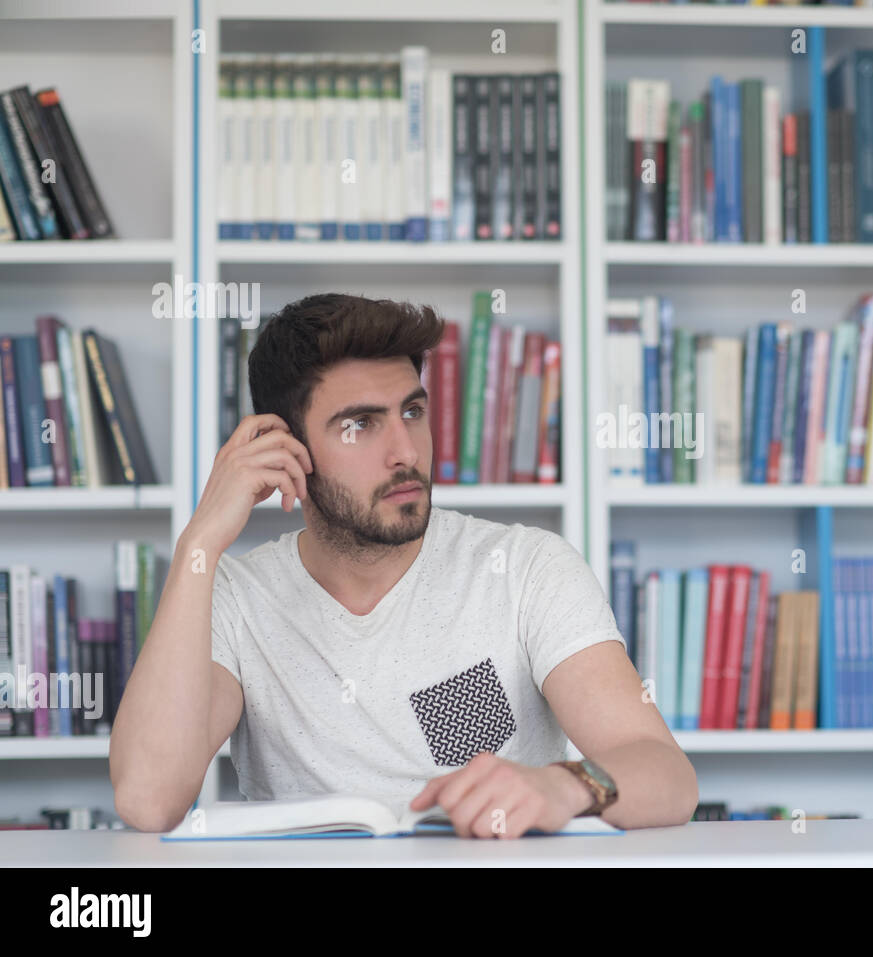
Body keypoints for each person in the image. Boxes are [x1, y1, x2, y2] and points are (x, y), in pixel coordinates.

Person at [109, 293, 697, 838]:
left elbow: (667, 777)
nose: (406, 453)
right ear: (286, 451)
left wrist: (562, 786)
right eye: (360, 424)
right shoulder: (235, 599)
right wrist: (199, 544)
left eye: (412, 413)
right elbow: (149, 799)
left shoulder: (526, 568)